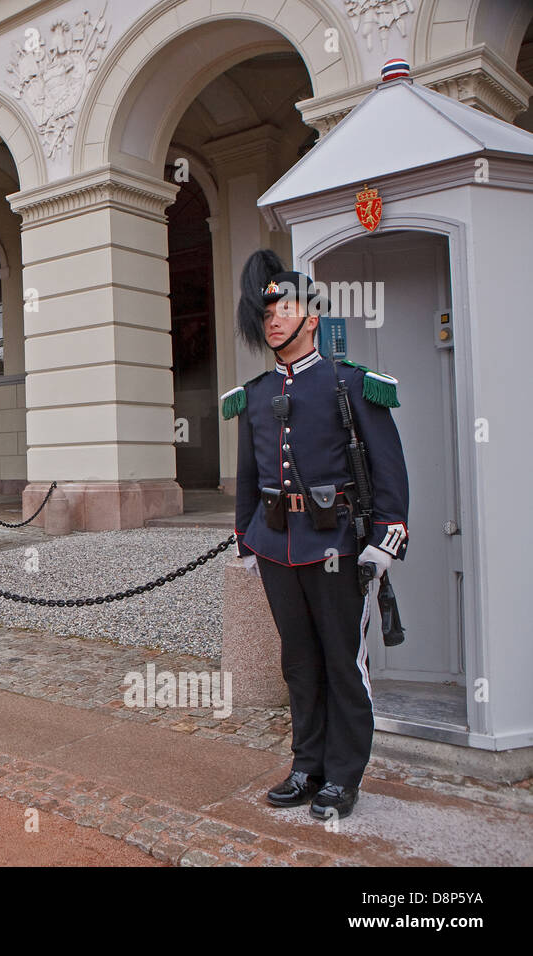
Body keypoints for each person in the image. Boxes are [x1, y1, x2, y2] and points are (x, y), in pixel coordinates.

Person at [221, 250, 409, 821]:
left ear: (311, 316)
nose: (273, 317)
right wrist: (247, 541)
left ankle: (344, 774)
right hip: (278, 547)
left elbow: (389, 470)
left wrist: (385, 541)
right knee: (298, 662)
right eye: (267, 308)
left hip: (336, 546)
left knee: (343, 662)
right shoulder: (253, 395)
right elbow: (250, 477)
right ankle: (307, 765)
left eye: (286, 307)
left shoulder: (351, 384)